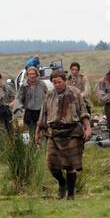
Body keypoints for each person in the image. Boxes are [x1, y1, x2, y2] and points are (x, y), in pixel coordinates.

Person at [36, 68, 93, 200]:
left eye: (59, 82)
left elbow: (83, 113)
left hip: (72, 132)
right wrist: (38, 131)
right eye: (54, 82)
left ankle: (71, 194)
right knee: (51, 164)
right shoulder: (49, 95)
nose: (57, 85)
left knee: (70, 166)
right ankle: (62, 183)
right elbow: (43, 114)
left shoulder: (75, 93)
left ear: (65, 81)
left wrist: (88, 128)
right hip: (54, 133)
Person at [17, 66, 46, 132]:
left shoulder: (42, 84)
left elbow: (48, 96)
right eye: (30, 74)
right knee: (32, 132)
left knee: (42, 131)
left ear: (36, 74)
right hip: (29, 112)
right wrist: (18, 110)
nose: (32, 76)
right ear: (27, 75)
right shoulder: (24, 86)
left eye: (33, 74)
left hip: (41, 112)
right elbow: (19, 98)